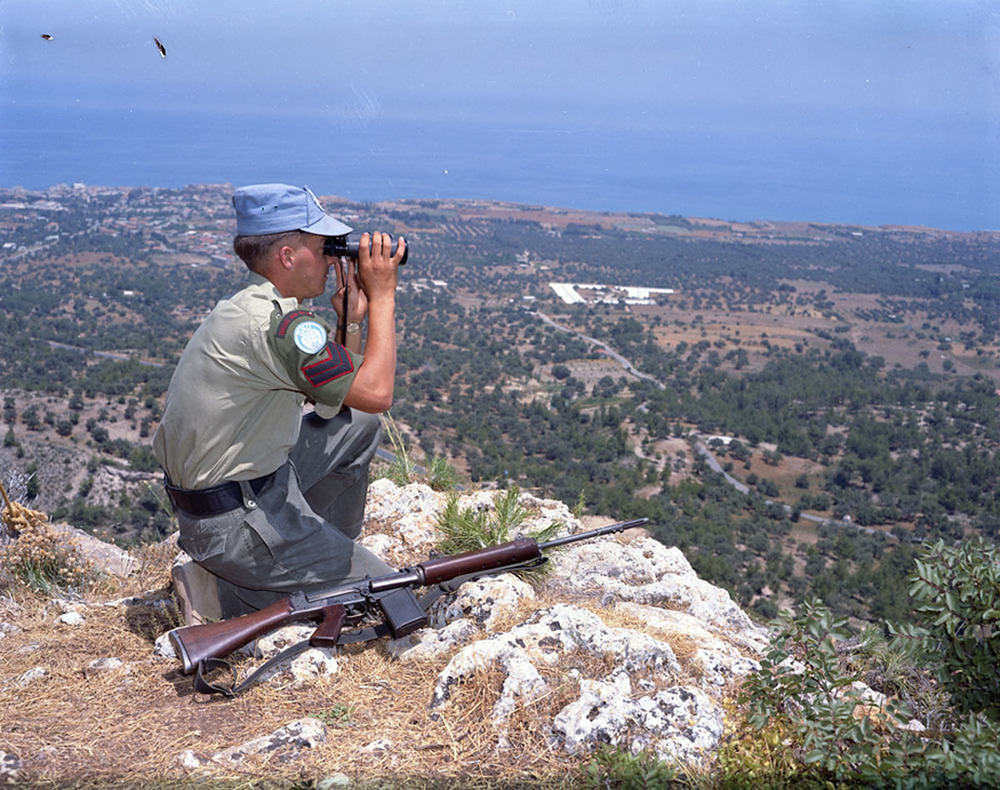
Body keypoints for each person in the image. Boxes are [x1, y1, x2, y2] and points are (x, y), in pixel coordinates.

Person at [153, 183, 406, 618]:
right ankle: (231, 590)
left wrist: (350, 321)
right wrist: (384, 295)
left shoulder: (254, 308)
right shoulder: (278, 325)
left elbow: (339, 404)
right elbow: (379, 393)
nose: (332, 259)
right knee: (389, 594)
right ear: (287, 256)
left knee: (357, 428)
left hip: (233, 496)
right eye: (323, 247)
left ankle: (317, 557)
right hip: (235, 522)